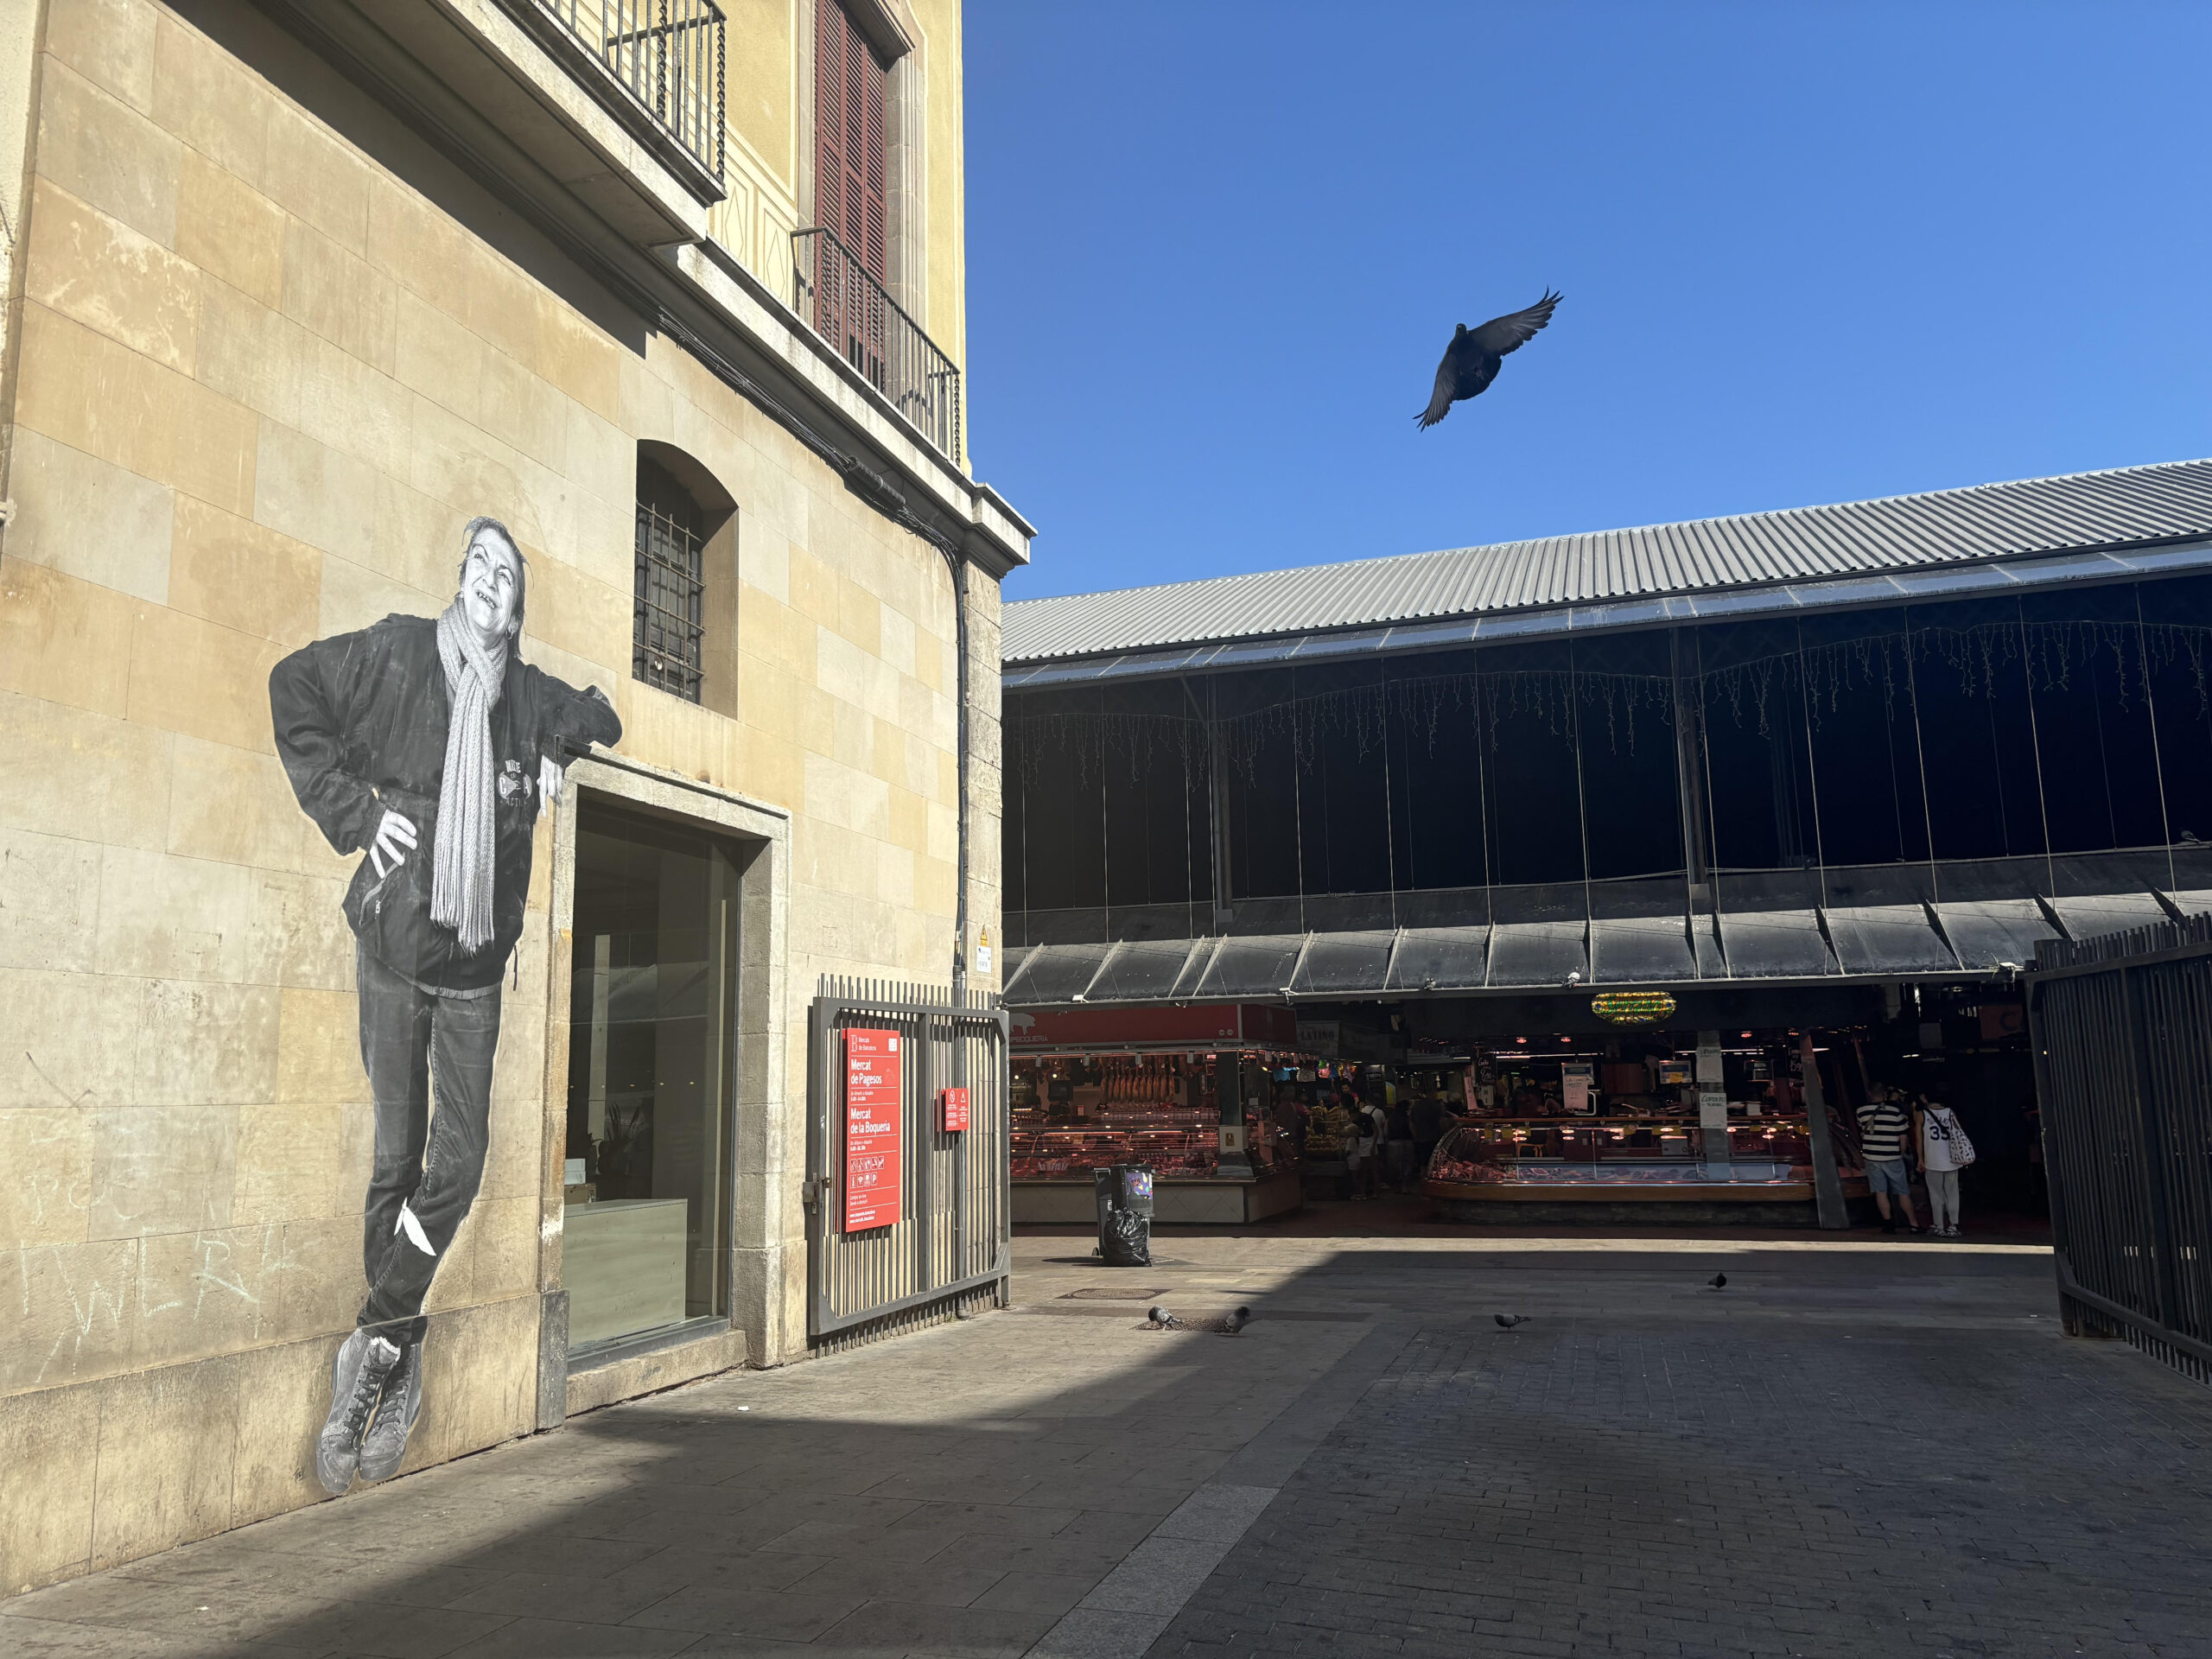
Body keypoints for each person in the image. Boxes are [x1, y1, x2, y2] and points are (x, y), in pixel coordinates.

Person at [270, 518, 622, 1496]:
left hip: (470, 975)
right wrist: (352, 814)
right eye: (477, 566)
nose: (486, 584)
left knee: (455, 1165)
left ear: (517, 606)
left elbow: (602, 713)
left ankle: (375, 1338)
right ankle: (394, 1349)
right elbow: (291, 689)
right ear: (458, 580)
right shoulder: (391, 654)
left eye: (504, 576)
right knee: (397, 1154)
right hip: (388, 950)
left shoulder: (526, 700)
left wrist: (560, 749)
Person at [1855, 1084, 1921, 1235]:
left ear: (1870, 1094)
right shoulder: (1896, 1112)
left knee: (1880, 1192)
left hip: (1871, 1157)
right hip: (1893, 1156)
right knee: (1903, 1192)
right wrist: (1901, 1153)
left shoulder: (1861, 1111)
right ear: (1885, 1095)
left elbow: (1862, 1129)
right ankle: (1913, 1224)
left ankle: (1888, 1224)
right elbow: (1903, 1137)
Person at [1915, 1093, 1973, 1237]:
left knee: (1936, 1195)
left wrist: (1920, 1159)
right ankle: (1953, 1226)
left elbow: (1919, 1139)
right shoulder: (1950, 1113)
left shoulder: (1922, 1115)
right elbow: (1958, 1133)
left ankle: (1939, 1226)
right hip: (1952, 1160)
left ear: (1926, 1098)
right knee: (1952, 1194)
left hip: (1932, 1161)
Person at [1382, 1092, 1416, 1192]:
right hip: (1407, 1142)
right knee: (1407, 1165)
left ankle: (1397, 1186)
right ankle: (1405, 1186)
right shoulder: (1407, 1119)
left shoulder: (1390, 1118)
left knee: (1395, 1165)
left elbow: (1385, 1132)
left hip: (1393, 1143)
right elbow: (1412, 1130)